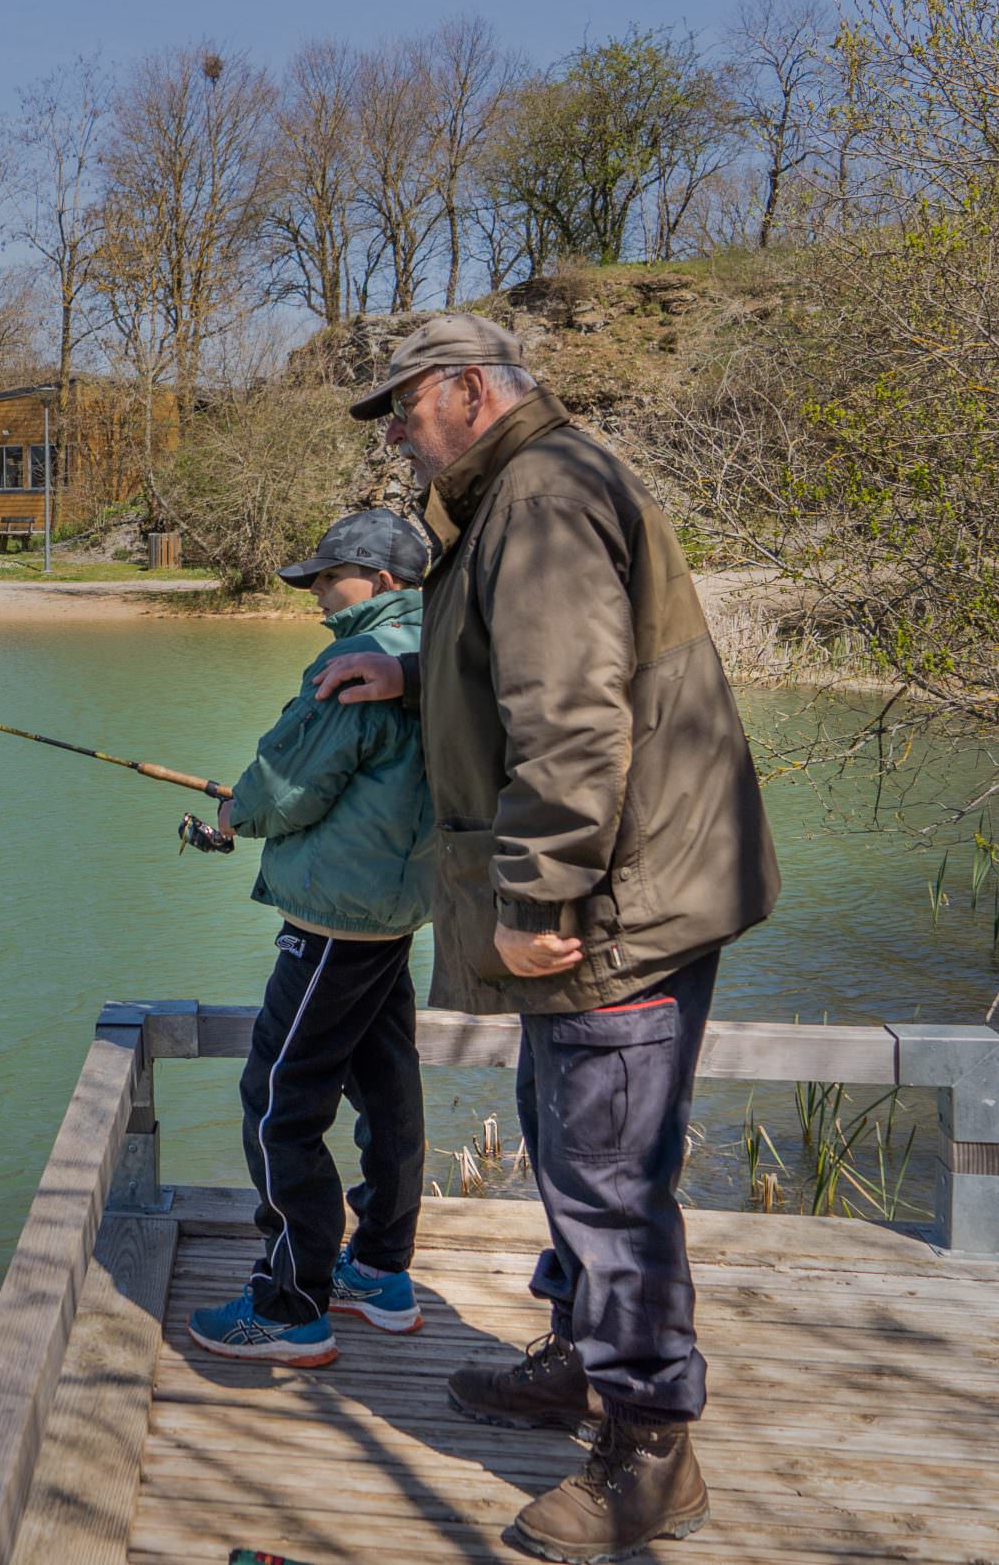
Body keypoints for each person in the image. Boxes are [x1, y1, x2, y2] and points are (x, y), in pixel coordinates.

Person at [315, 314, 779, 1563]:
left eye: (405, 409)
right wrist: (408, 680)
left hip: (612, 906)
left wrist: (540, 899)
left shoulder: (540, 496)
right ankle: (582, 1361)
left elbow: (573, 718)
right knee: (571, 1140)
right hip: (632, 885)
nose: (398, 437)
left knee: (609, 1180)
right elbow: (547, 662)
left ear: (468, 390)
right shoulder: (535, 481)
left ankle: (648, 1451)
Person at [178, 507, 435, 1368]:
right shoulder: (448, 658)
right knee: (388, 1087)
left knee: (277, 1103)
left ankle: (294, 1302)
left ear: (386, 581)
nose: (320, 590)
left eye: (334, 574)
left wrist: (232, 812)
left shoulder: (352, 661)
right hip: (393, 912)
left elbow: (288, 785)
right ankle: (380, 1271)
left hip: (332, 922)